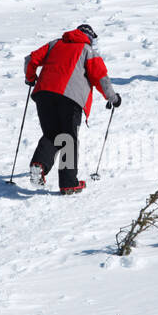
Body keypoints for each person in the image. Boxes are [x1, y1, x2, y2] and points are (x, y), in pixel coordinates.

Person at [24, 23, 121, 194]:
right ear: (89, 37)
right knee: (68, 138)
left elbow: (30, 59)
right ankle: (69, 183)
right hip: (70, 98)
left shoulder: (55, 44)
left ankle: (39, 165)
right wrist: (113, 98)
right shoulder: (88, 51)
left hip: (43, 94)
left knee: (52, 134)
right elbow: (100, 77)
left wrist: (31, 78)